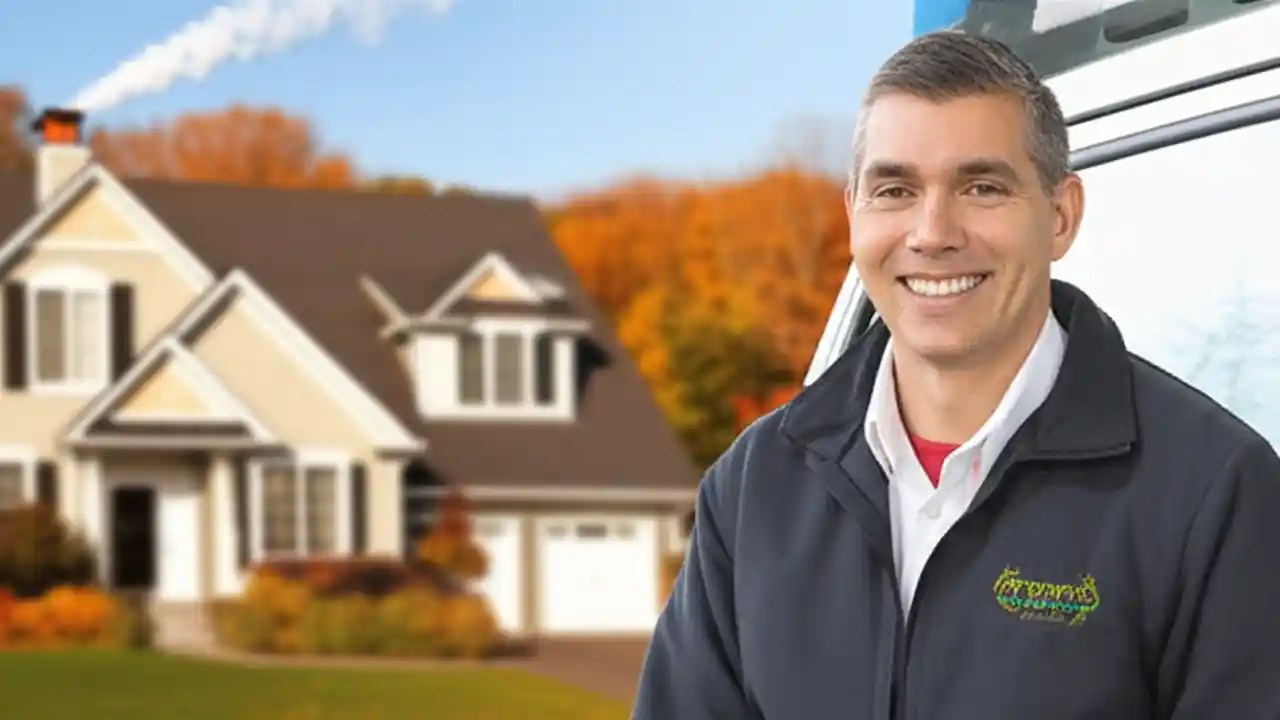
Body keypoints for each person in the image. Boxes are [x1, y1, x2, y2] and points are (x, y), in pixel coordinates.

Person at [632, 30, 1280, 719]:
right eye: (895, 189)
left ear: (1061, 216)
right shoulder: (754, 490)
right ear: (854, 212)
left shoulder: (1215, 493)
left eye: (981, 186)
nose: (933, 232)